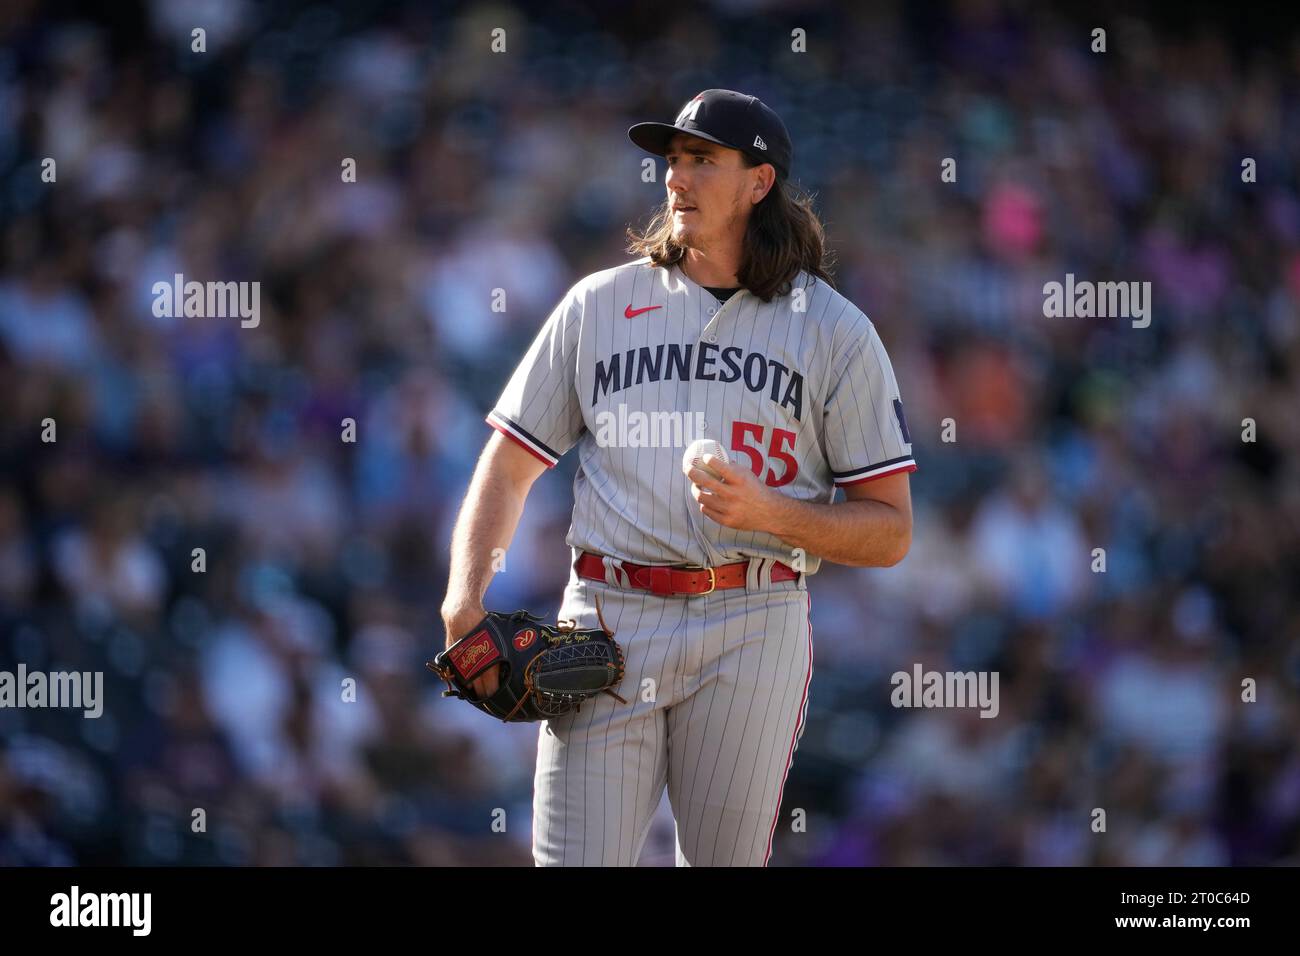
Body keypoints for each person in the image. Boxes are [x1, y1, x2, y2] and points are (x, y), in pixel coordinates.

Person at [441, 89, 916, 866]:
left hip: (753, 617)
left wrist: (771, 513)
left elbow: (891, 529)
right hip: (607, 618)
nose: (676, 178)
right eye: (672, 160)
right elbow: (509, 463)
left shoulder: (836, 332)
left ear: (758, 182)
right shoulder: (599, 304)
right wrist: (463, 596)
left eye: (703, 160)